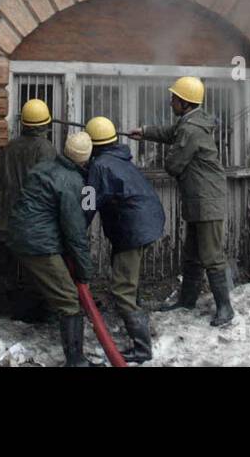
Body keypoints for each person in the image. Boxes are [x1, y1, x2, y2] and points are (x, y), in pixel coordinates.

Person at [131, 76, 232, 326]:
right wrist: (145, 132)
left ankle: (225, 308)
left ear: (185, 103)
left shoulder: (190, 130)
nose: (170, 102)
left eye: (174, 98)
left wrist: (166, 155)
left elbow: (173, 165)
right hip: (198, 198)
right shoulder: (191, 122)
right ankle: (187, 300)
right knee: (193, 254)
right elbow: (170, 132)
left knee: (211, 256)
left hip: (206, 199)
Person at [6, 131, 96, 366]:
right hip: (39, 244)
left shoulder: (44, 167)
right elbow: (75, 233)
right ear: (85, 158)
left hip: (19, 233)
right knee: (69, 300)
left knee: (43, 284)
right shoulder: (72, 182)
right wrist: (84, 273)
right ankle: (76, 360)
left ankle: (33, 315)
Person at [83, 116, 165, 363]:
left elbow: (89, 203)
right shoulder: (120, 159)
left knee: (122, 288)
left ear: (93, 144)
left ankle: (142, 348)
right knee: (128, 281)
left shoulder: (100, 166)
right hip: (146, 222)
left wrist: (76, 228)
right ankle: (138, 328)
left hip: (133, 229)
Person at [0, 99, 58, 319]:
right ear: (46, 124)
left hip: (5, 218)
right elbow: (47, 185)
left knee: (13, 267)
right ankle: (34, 312)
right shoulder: (46, 148)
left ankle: (14, 308)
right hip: (31, 219)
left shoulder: (9, 147)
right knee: (36, 269)